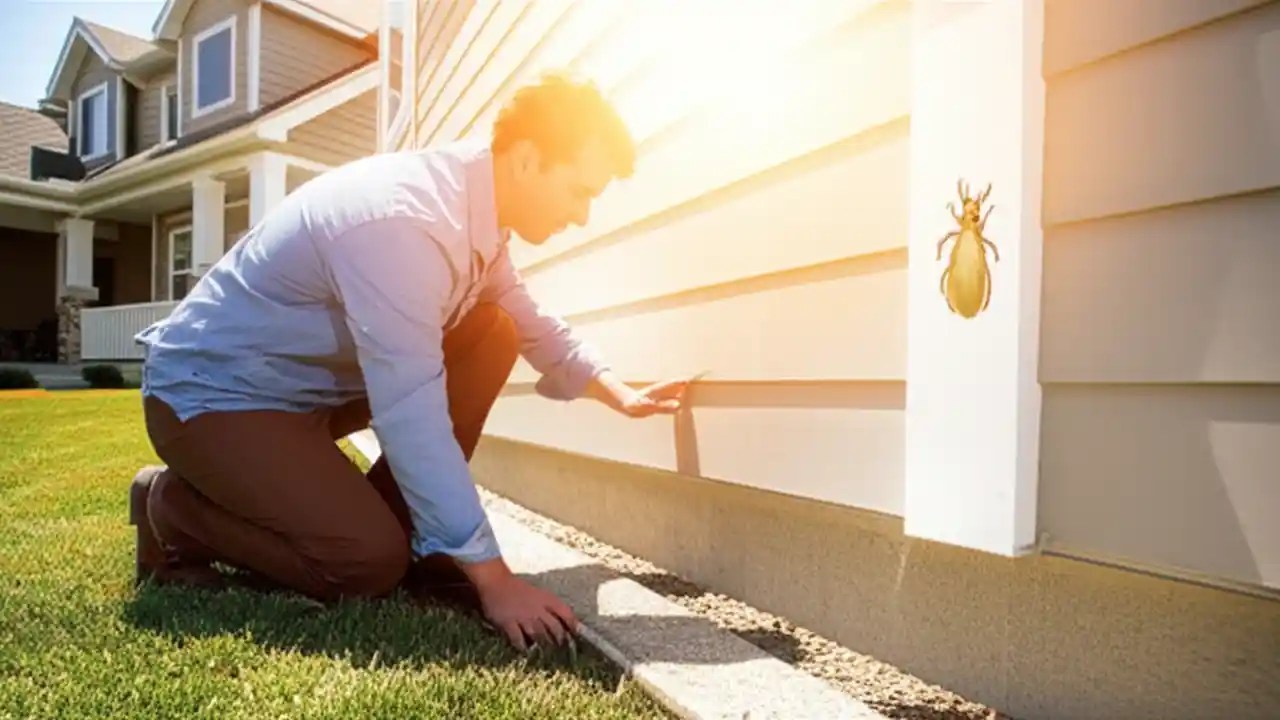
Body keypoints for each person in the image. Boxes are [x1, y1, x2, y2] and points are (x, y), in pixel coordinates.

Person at [129, 73, 693, 653]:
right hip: (213, 398)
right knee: (365, 565)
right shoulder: (404, 224)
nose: (582, 215)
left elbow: (528, 319)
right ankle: (172, 509)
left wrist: (615, 391)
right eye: (580, 191)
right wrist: (494, 580)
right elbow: (411, 411)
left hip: (299, 390)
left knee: (491, 330)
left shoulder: (478, 215)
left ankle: (423, 546)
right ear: (527, 161)